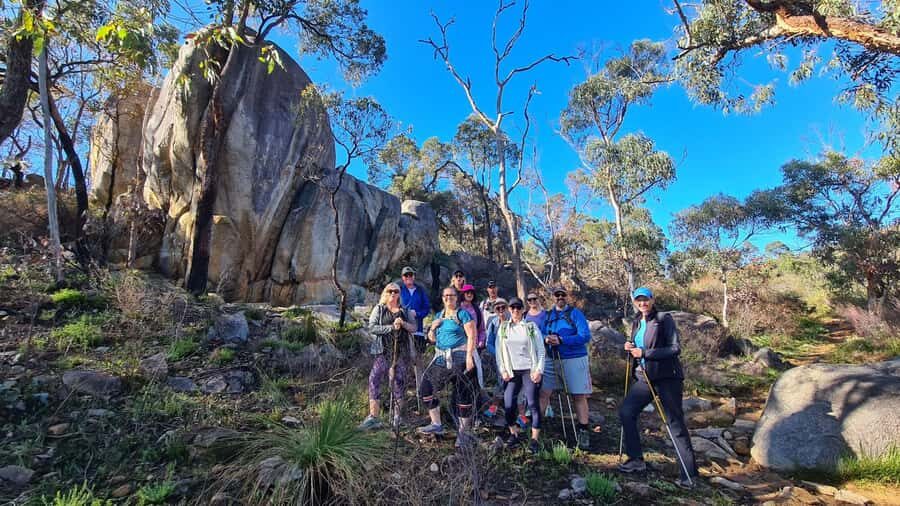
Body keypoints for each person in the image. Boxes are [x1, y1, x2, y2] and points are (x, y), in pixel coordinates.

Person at [618, 287, 698, 489]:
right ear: (635, 302)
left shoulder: (663, 319)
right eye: (639, 300)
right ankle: (636, 459)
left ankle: (689, 474)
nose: (642, 303)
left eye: (645, 299)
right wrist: (629, 347)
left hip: (667, 378)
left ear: (652, 300)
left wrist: (644, 353)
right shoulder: (637, 321)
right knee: (627, 411)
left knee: (674, 423)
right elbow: (636, 348)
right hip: (645, 378)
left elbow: (674, 348)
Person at [417, 286, 480, 449]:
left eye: (451, 295)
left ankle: (463, 432)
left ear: (456, 297)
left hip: (460, 357)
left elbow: (472, 335)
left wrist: (469, 357)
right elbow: (431, 339)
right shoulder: (439, 315)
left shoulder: (463, 314)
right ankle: (436, 423)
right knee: (426, 388)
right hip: (441, 358)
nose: (448, 298)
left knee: (462, 394)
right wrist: (433, 327)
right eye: (445, 296)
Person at [538, 285, 593, 450]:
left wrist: (562, 340)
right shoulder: (548, 315)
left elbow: (585, 336)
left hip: (574, 358)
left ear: (566, 297)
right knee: (543, 393)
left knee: (578, 396)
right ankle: (536, 428)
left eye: (562, 295)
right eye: (557, 295)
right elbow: (539, 333)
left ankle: (583, 431)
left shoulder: (575, 314)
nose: (560, 297)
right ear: (552, 297)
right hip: (552, 359)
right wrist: (546, 339)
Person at [360, 282, 418, 430]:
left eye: (396, 291)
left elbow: (414, 327)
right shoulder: (379, 309)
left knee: (399, 381)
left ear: (399, 294)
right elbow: (372, 327)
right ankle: (373, 416)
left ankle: (397, 417)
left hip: (401, 353)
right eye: (390, 291)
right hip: (383, 352)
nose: (393, 294)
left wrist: (403, 323)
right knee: (374, 379)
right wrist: (391, 327)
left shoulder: (405, 311)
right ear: (385, 293)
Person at [496, 297, 545, 454]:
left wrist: (539, 370)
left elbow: (541, 350)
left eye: (518, 308)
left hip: (529, 370)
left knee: (532, 404)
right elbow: (499, 351)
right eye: (512, 308)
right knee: (509, 404)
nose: (515, 311)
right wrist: (503, 370)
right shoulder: (504, 328)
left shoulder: (531, 327)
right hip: (512, 371)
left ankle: (535, 439)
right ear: (509, 310)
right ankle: (513, 433)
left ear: (523, 310)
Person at [482, 298, 509, 420]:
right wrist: (498, 354)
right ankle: (495, 406)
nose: (501, 310)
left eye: (503, 307)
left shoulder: (514, 320)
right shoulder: (493, 323)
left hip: (516, 359)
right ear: (495, 310)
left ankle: (521, 413)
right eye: (498, 308)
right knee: (501, 382)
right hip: (500, 360)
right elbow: (489, 343)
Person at [398, 266, 430, 353]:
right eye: (406, 275)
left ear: (414, 276)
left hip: (418, 330)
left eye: (410, 275)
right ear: (402, 277)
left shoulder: (420, 291)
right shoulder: (399, 291)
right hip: (402, 331)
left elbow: (427, 308)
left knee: (418, 358)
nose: (408, 277)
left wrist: (417, 314)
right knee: (403, 358)